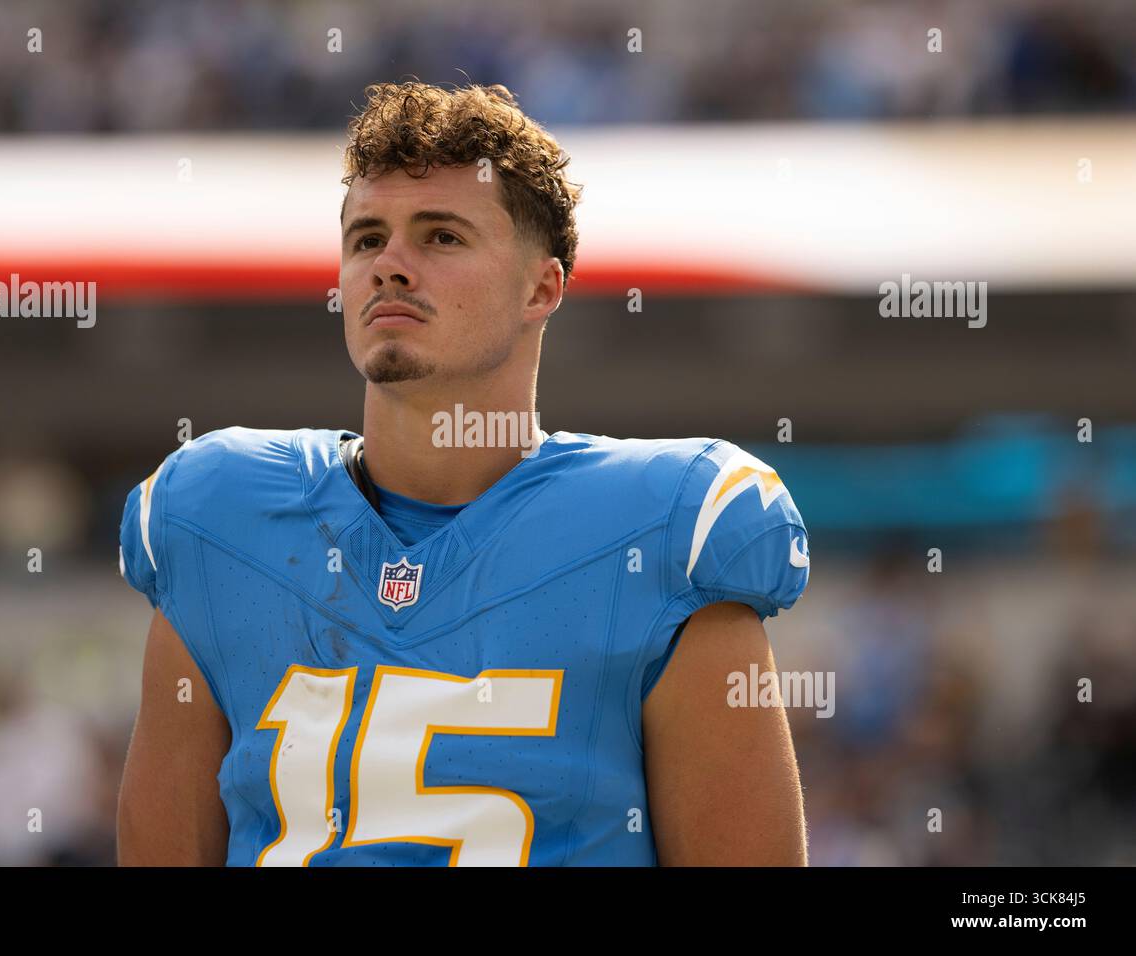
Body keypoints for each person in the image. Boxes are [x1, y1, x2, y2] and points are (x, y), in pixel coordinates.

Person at [117, 80, 810, 866]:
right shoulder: (218, 517)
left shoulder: (667, 533)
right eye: (367, 238)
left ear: (542, 288)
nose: (391, 266)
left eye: (441, 237)